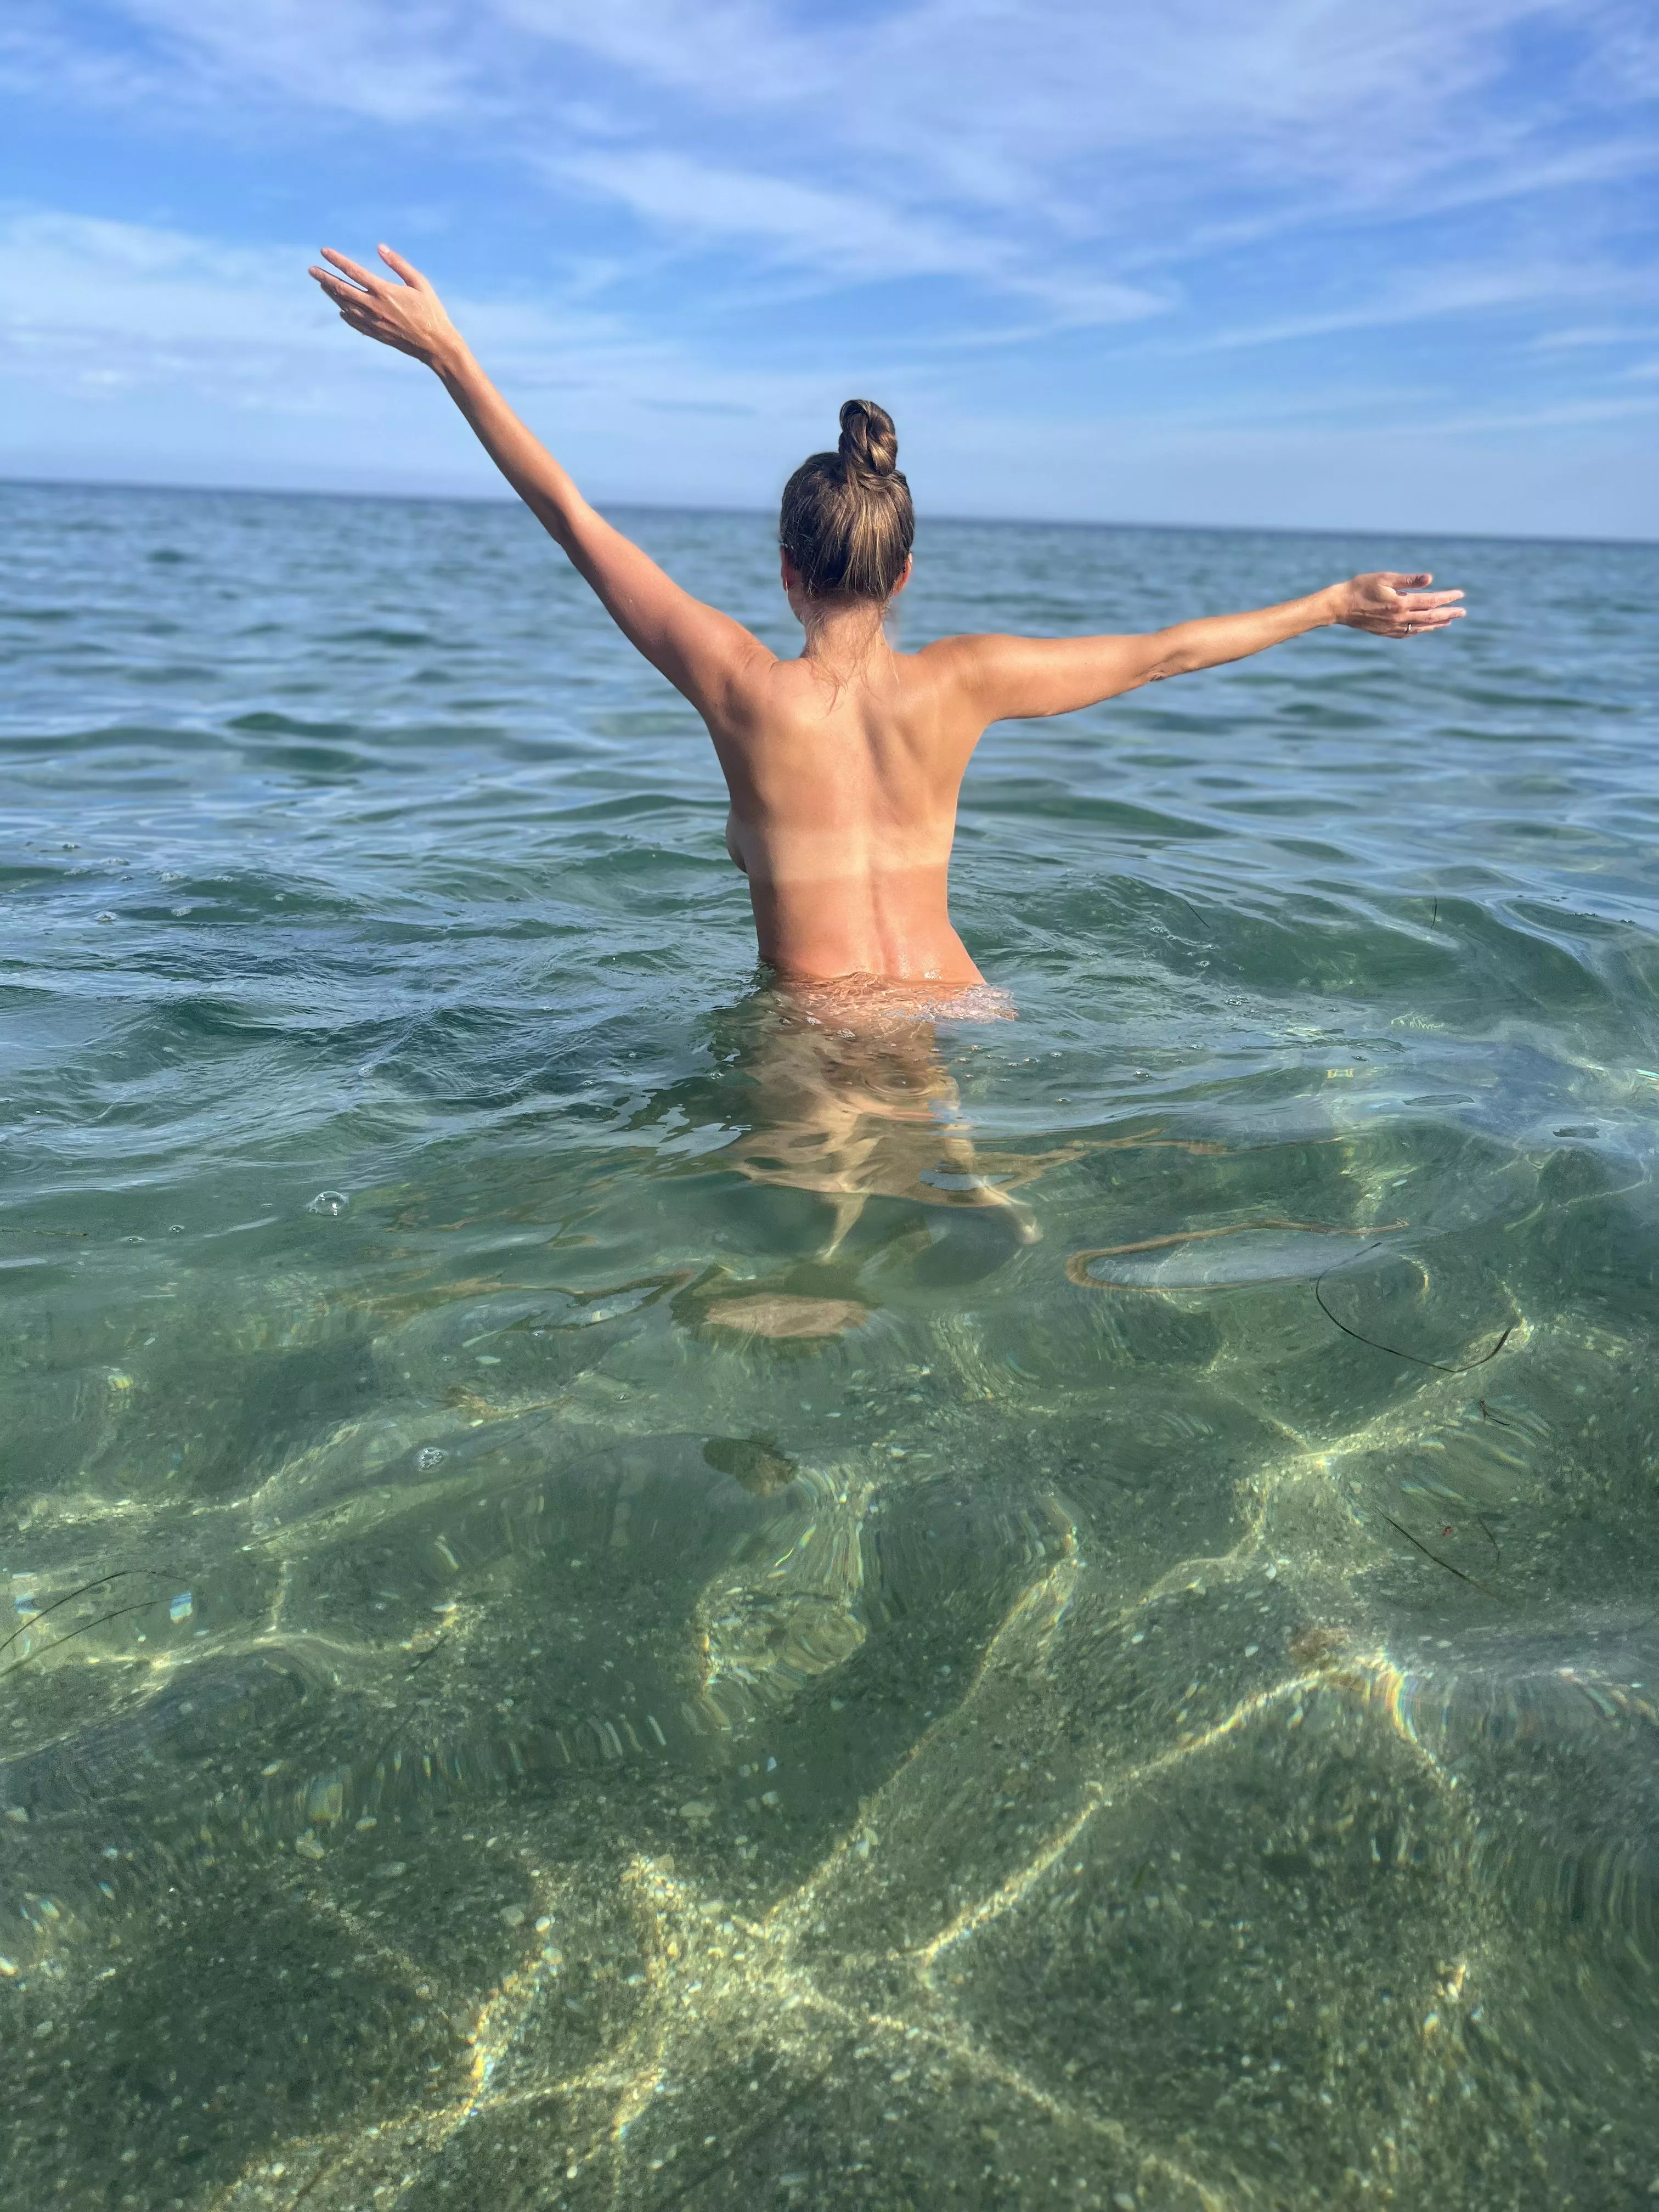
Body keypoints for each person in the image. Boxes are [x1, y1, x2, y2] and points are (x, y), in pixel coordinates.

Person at [309, 246, 1465, 994]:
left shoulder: (739, 688)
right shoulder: (967, 682)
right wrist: (1328, 604)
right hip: (966, 1006)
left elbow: (568, 513)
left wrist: (451, 356)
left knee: (799, 1296)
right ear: (906, 573)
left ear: (784, 571)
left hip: (817, 1037)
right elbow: (1163, 655)